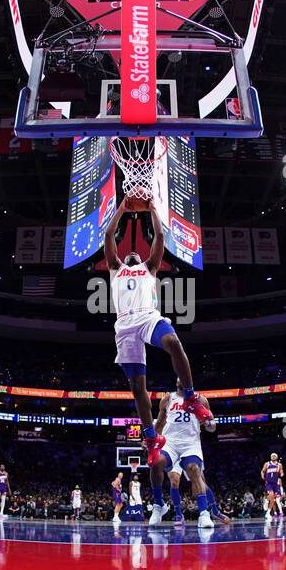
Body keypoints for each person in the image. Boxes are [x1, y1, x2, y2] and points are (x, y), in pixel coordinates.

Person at [102, 196, 213, 467]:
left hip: (147, 317)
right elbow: (108, 234)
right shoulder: (115, 269)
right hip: (124, 325)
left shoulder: (149, 268)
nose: (132, 255)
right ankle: (151, 438)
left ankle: (190, 397)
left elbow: (160, 236)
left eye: (136, 254)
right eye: (129, 255)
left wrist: (152, 209)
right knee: (137, 388)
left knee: (173, 342)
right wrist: (122, 209)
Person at [151, 388, 218, 528]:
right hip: (170, 443)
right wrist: (151, 440)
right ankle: (159, 505)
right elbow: (159, 423)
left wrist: (206, 422)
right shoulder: (167, 399)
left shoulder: (201, 399)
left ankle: (204, 514)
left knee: (194, 470)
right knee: (156, 463)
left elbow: (212, 427)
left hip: (190, 444)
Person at [261, 453, 285, 522]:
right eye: (272, 456)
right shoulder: (267, 464)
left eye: (274, 456)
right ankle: (266, 501)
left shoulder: (279, 465)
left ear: (276, 457)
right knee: (271, 495)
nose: (273, 457)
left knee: (273, 499)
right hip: (269, 483)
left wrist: (282, 473)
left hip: (276, 484)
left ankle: (268, 513)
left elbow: (281, 471)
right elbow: (262, 471)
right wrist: (263, 476)